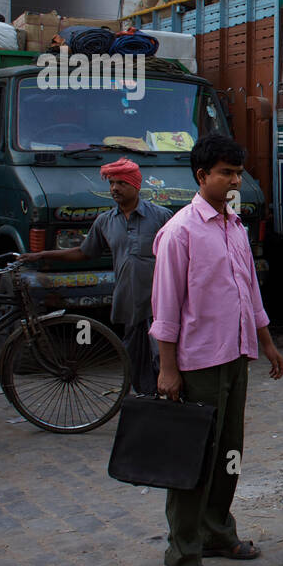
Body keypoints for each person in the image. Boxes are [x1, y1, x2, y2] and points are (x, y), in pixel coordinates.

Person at [150, 133, 283, 566]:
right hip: (198, 361)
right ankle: (182, 552)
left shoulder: (236, 227)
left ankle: (217, 534)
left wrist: (266, 342)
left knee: (229, 452)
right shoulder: (180, 232)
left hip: (236, 354)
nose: (234, 181)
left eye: (238, 173)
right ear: (202, 175)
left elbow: (249, 290)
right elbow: (166, 309)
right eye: (225, 172)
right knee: (196, 458)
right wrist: (168, 369)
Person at [19, 159, 170, 395]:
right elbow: (83, 252)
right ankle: (147, 405)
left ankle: (173, 405)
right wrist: (42, 254)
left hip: (160, 303)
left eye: (121, 183)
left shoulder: (161, 216)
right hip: (130, 302)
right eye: (111, 183)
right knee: (135, 361)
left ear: (135, 185)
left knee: (165, 359)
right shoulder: (105, 222)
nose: (115, 189)